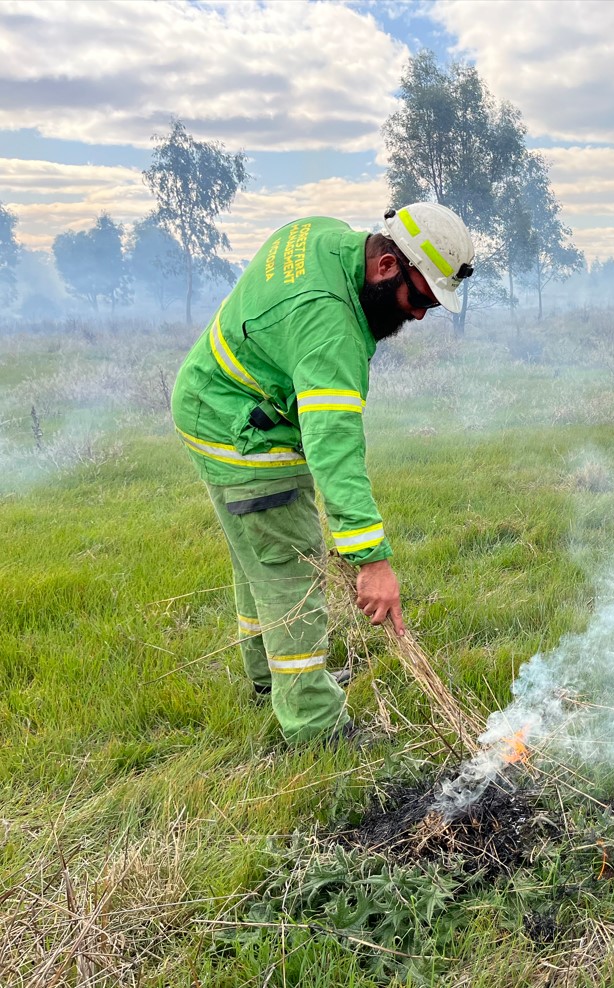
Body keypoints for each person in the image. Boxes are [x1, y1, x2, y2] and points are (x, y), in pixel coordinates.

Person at [171, 203, 475, 743]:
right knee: (291, 568)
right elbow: (334, 449)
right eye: (421, 299)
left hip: (210, 400)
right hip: (240, 430)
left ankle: (270, 680)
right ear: (387, 266)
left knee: (259, 558)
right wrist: (372, 560)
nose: (420, 316)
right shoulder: (331, 330)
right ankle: (316, 727)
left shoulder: (323, 234)